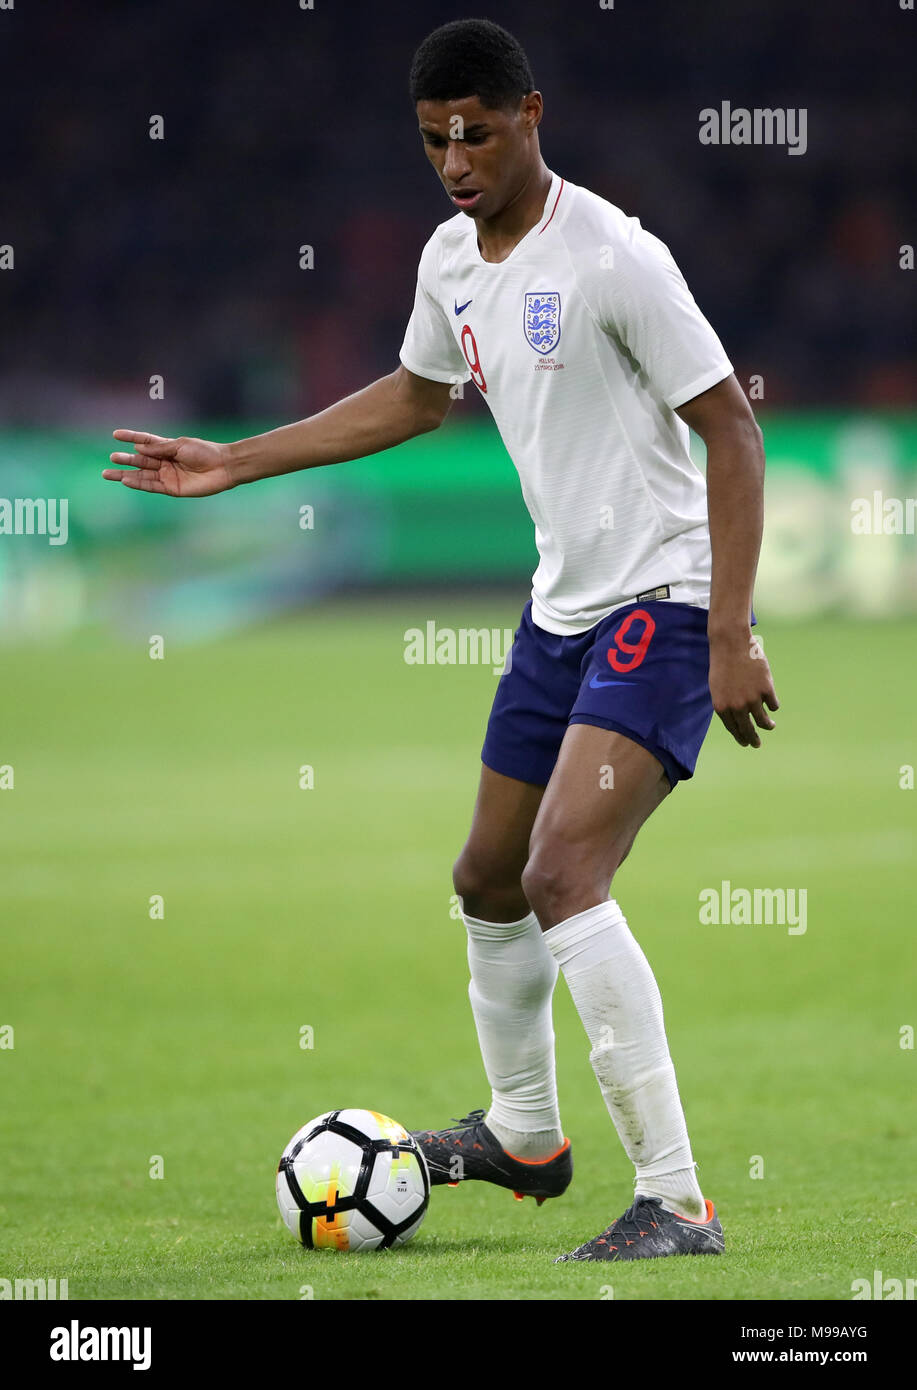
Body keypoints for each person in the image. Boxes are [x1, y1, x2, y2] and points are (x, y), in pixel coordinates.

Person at [103, 18, 778, 1263]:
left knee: (563, 875)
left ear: (532, 115)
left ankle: (677, 1203)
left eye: (476, 131)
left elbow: (731, 429)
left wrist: (728, 626)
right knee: (483, 877)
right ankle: (525, 1133)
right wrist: (236, 461)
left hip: (665, 603)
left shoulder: (615, 256)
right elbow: (418, 394)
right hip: (560, 607)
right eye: (433, 140)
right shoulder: (449, 260)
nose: (456, 158)